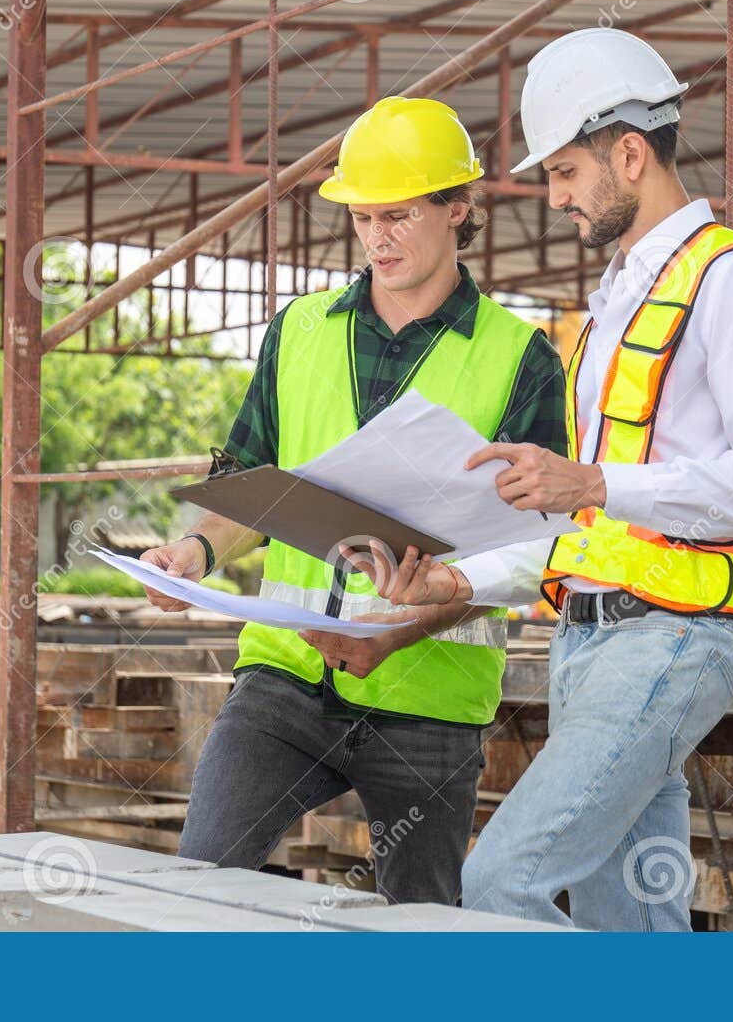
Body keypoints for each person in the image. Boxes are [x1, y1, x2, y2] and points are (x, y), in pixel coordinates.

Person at [354, 29, 733, 929]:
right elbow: (590, 523)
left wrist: (596, 483)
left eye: (565, 171)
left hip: (673, 640)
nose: (553, 195)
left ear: (630, 154)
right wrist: (462, 579)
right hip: (591, 644)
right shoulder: (616, 302)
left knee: (497, 887)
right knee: (630, 928)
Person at [139, 96, 566, 905]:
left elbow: (537, 547)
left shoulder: (524, 361)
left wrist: (401, 629)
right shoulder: (297, 332)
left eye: (400, 214)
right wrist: (192, 552)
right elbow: (246, 478)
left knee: (425, 933)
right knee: (195, 889)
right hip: (286, 676)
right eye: (364, 217)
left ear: (459, 207)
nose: (379, 237)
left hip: (429, 699)